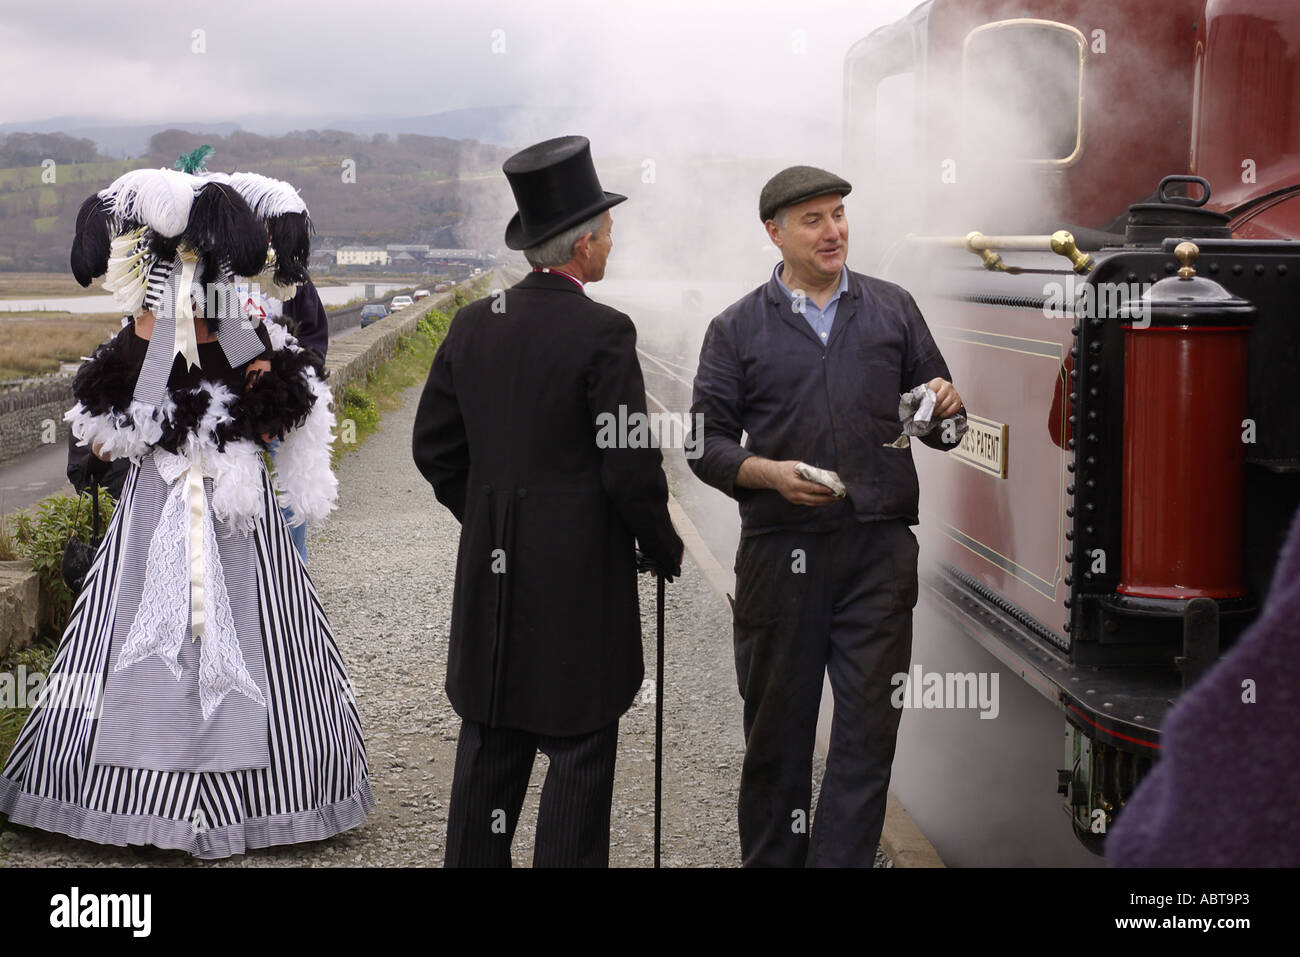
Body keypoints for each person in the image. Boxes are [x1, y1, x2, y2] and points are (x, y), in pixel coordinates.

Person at [0, 159, 372, 858]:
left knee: (148, 621)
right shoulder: (224, 323)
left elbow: (121, 428)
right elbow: (269, 410)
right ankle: (260, 797)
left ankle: (135, 800)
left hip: (187, 502)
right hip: (214, 508)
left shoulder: (200, 322)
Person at [412, 135, 683, 867]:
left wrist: (496, 516)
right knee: (579, 756)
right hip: (578, 594)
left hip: (492, 595)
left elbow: (433, 450)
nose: (613, 244)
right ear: (585, 243)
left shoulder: (471, 324)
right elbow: (629, 468)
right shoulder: (603, 332)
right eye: (610, 232)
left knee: (490, 759)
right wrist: (661, 545)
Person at [687, 165, 963, 867]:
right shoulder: (735, 328)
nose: (833, 230)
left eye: (838, 214)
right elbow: (703, 445)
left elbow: (938, 423)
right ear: (774, 232)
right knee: (778, 737)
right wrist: (769, 474)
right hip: (781, 557)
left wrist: (945, 410)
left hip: (878, 553)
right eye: (813, 219)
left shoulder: (894, 309)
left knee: (868, 736)